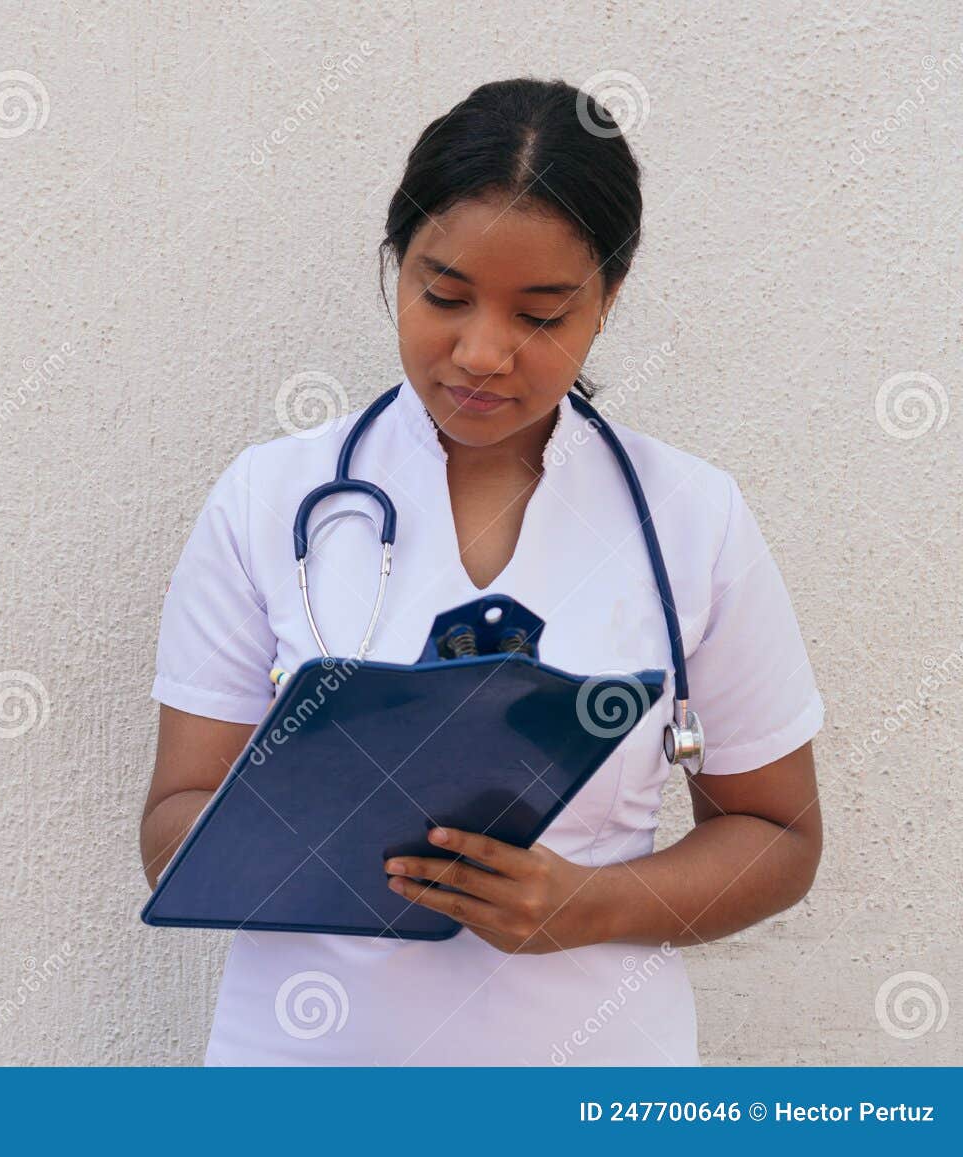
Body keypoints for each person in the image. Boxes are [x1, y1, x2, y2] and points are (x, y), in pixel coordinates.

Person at [137, 77, 825, 1066]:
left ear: (608, 299)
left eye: (541, 315)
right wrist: (321, 825)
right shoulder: (268, 498)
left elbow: (776, 833)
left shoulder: (691, 516)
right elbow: (172, 827)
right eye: (444, 295)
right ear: (396, 266)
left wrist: (591, 904)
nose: (483, 352)